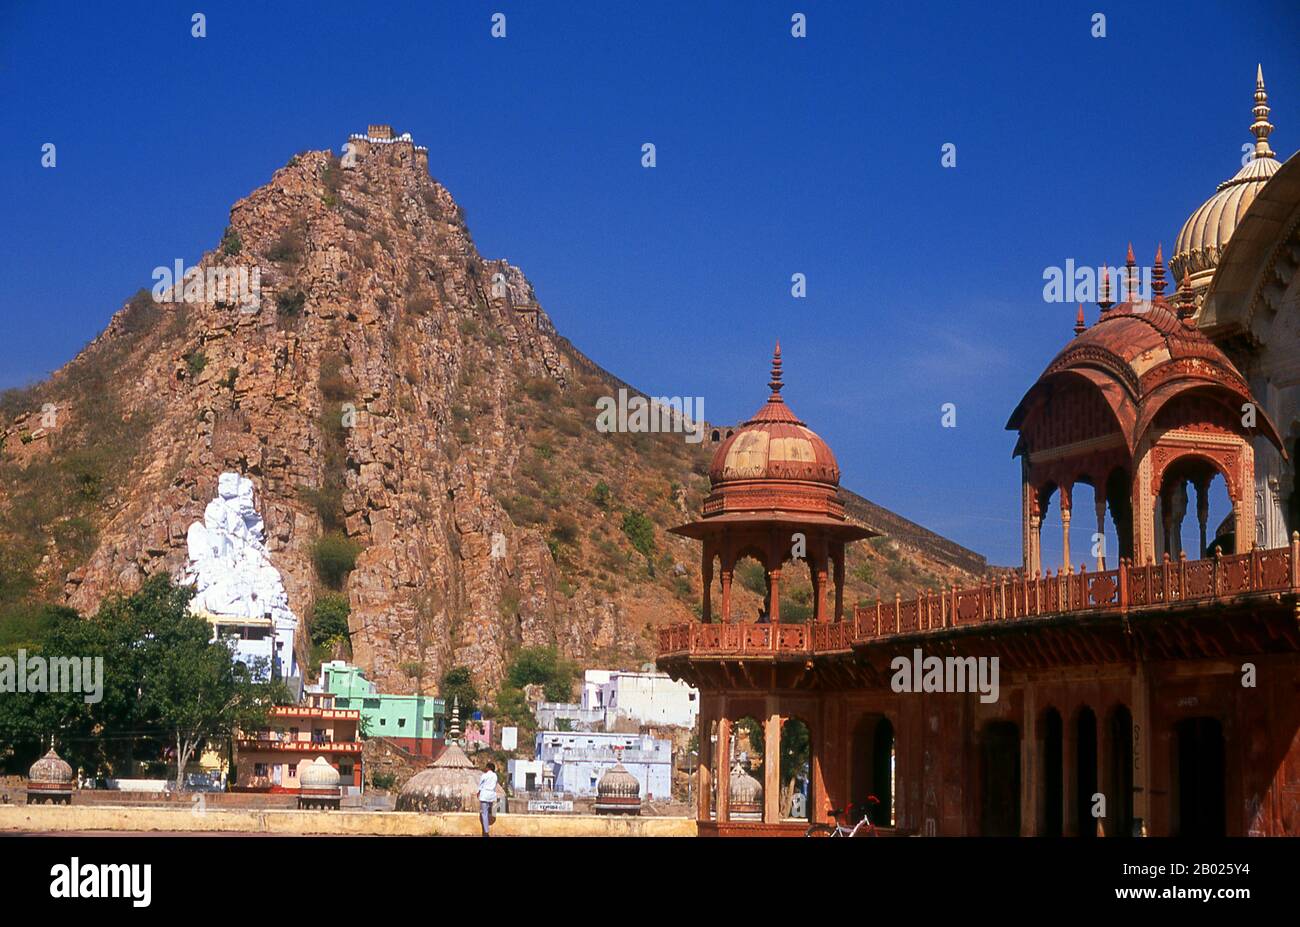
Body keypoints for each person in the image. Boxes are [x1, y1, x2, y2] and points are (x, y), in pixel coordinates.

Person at [478, 762, 499, 837]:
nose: (485, 768)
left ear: (488, 768)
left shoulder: (484, 775)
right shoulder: (495, 776)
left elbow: (480, 785)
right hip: (491, 796)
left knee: (484, 814)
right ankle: (486, 829)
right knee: (489, 813)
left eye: (486, 767)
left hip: (484, 796)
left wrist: (478, 793)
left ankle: (486, 832)